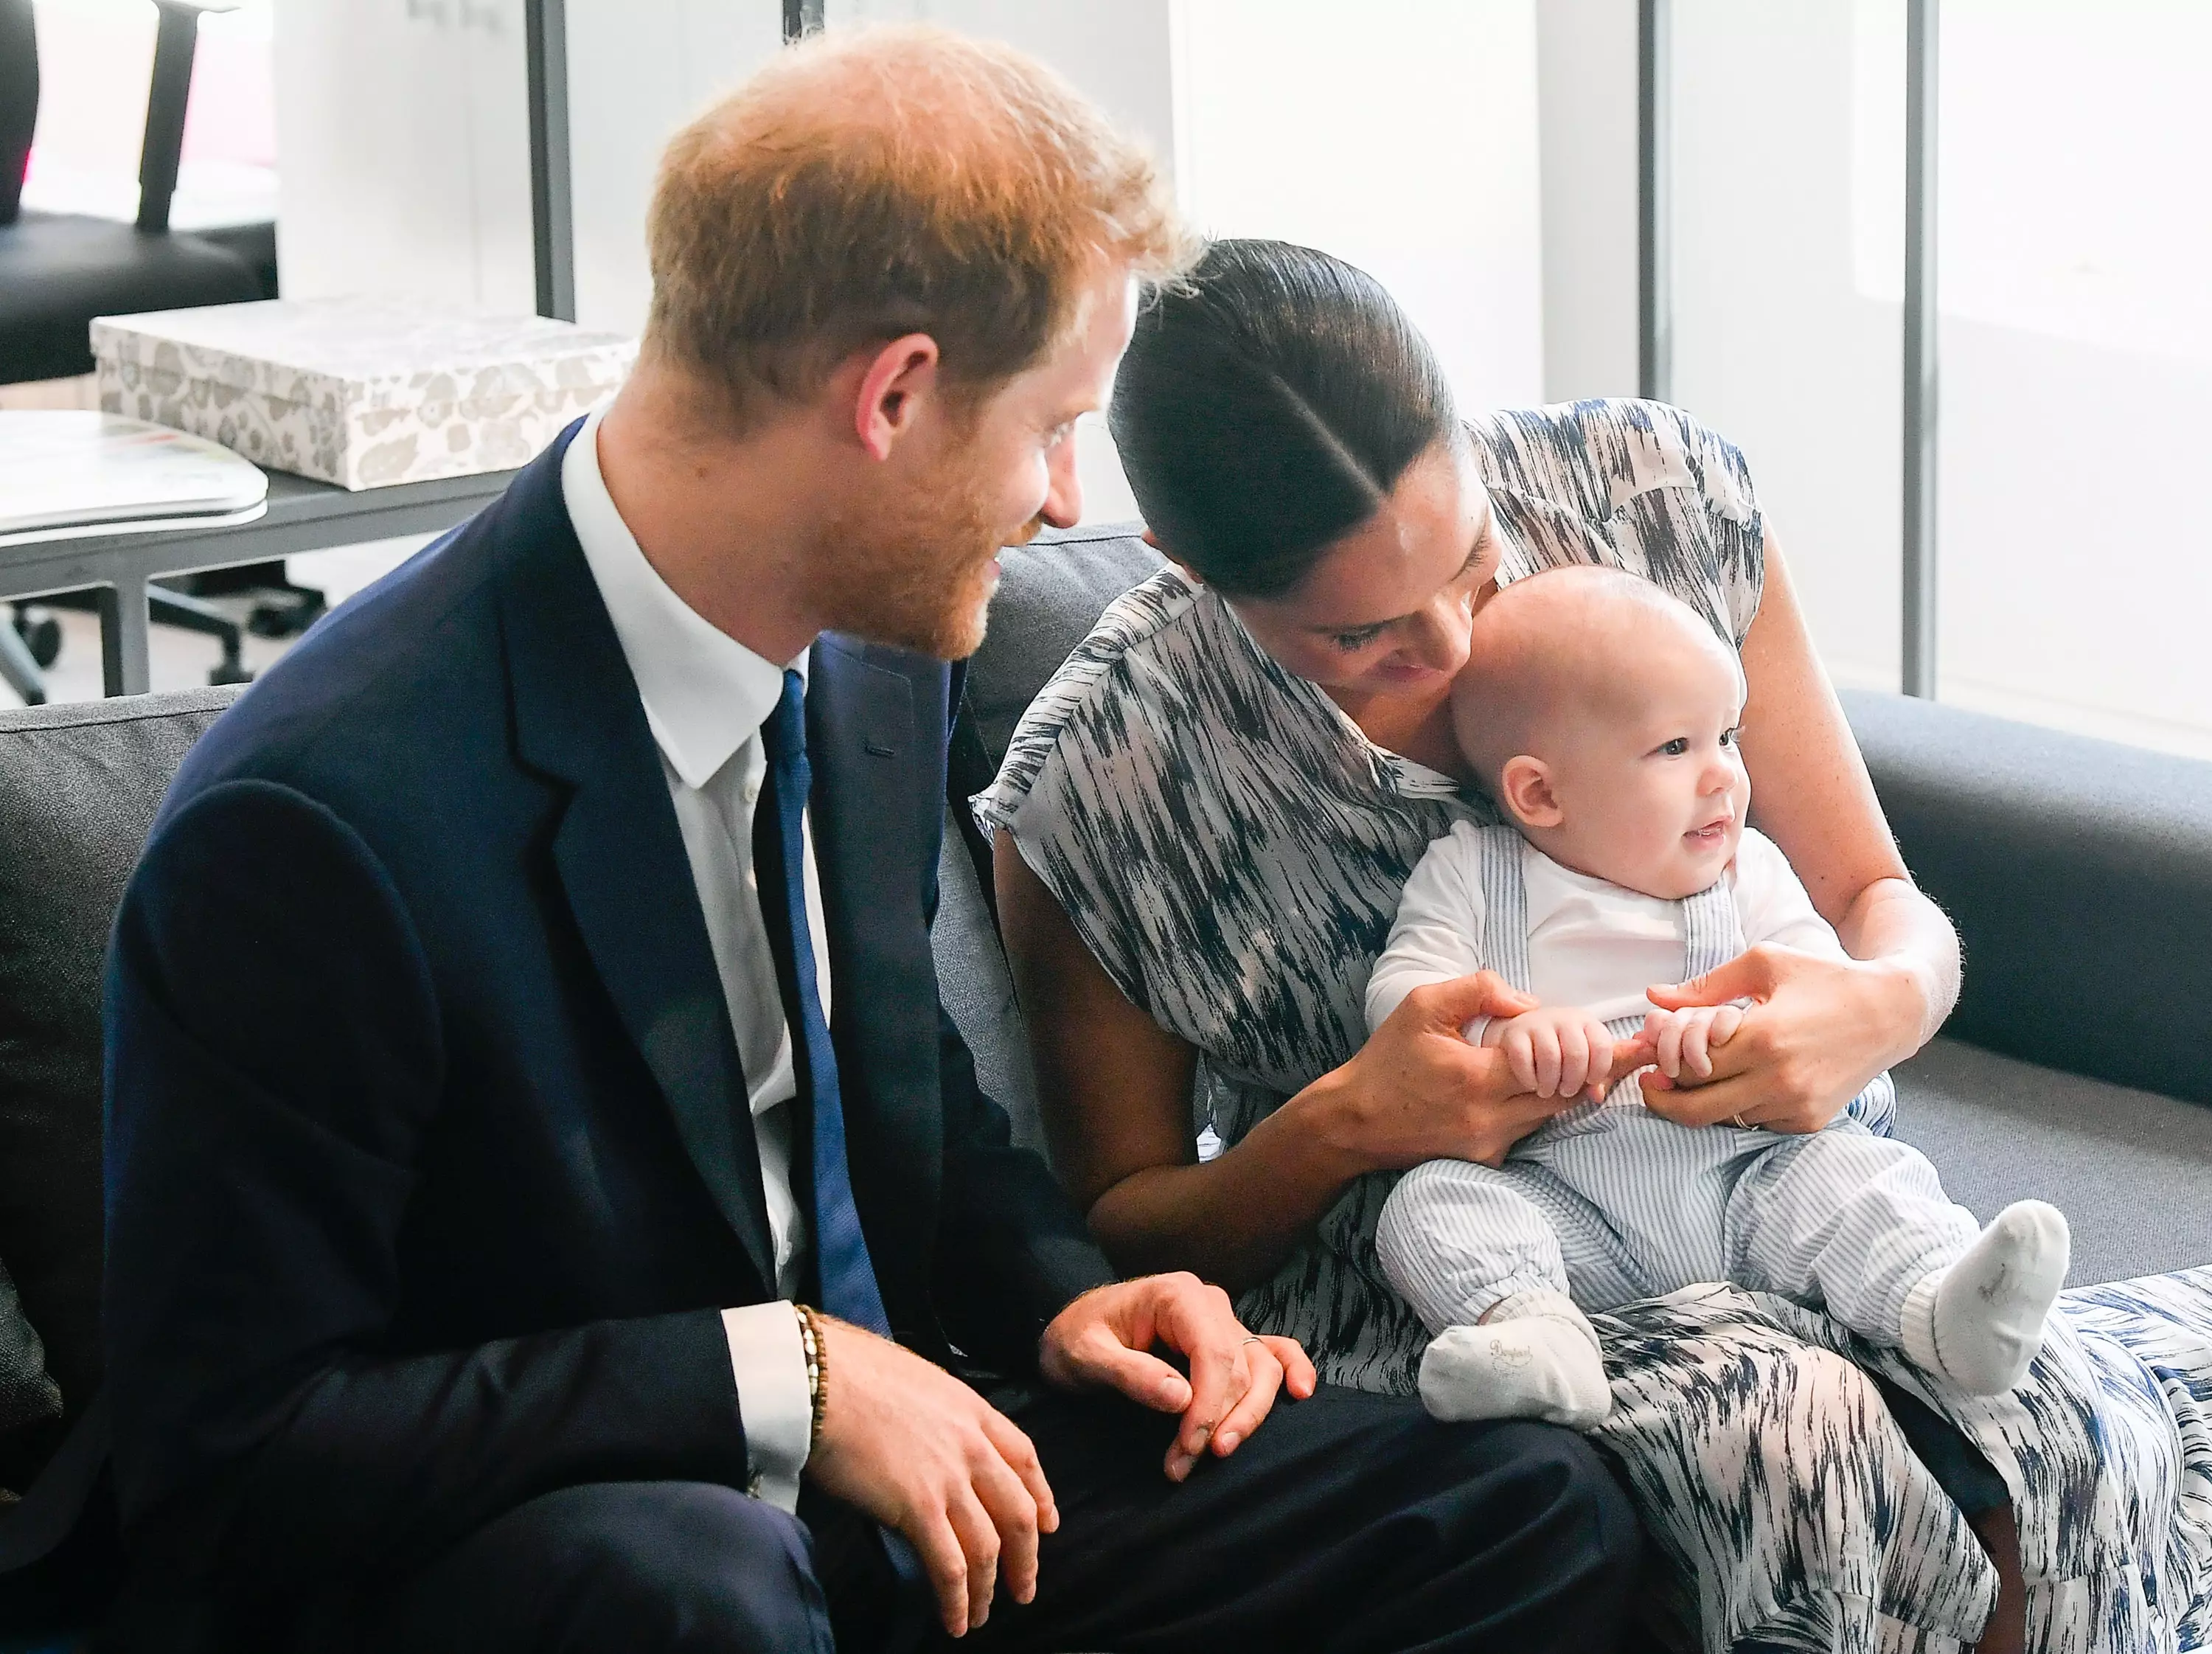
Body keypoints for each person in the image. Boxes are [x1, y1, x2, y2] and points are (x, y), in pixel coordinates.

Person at [99, 29, 1641, 1654]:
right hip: (602, 1551)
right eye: (1052, 423)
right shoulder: (318, 823)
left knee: (1526, 1501)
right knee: (699, 1594)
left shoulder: (879, 661)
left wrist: (1065, 1294)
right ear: (893, 394)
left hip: (916, 1497)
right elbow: (232, 1457)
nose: (1063, 501)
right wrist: (788, 1374)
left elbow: (898, 1092)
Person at [982, 236, 2212, 1652]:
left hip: (1780, 1179)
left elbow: (1877, 891)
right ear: (1186, 566)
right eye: (1362, 635)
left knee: (2052, 1404)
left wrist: (1882, 1004)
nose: (1446, 645)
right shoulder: (1106, 773)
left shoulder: (1653, 501)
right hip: (1465, 1276)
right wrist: (1347, 1122)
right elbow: (1121, 1223)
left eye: (1472, 561)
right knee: (1796, 1433)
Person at [1363, 565, 2070, 1432]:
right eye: (1676, 747)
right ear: (1539, 792)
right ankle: (1538, 1337)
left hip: (1755, 1171)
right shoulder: (1471, 871)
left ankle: (1939, 1309)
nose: (1724, 778)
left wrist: (1744, 1025)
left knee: (1863, 1179)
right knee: (1428, 1204)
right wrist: (1508, 1028)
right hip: (1565, 1196)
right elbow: (1403, 997)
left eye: (1727, 736)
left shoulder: (1749, 872)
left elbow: (1818, 983)